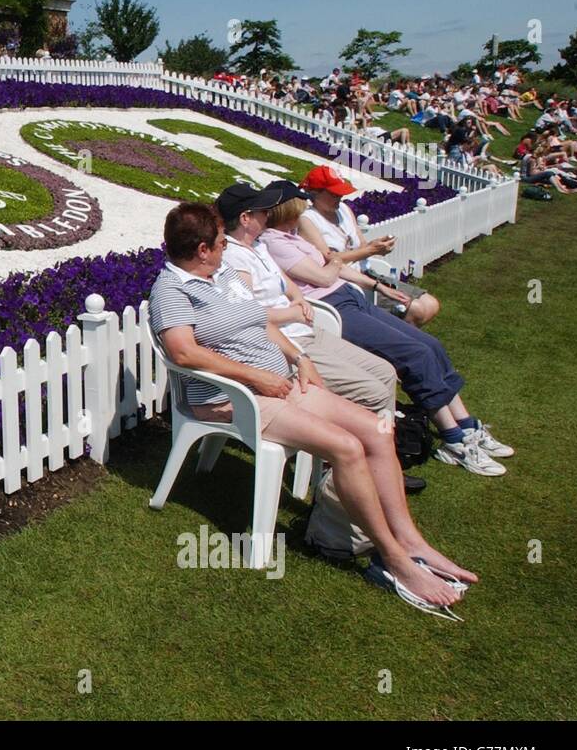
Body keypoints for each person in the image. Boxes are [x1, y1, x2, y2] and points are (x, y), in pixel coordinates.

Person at [150, 203, 474, 610]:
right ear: (201, 249)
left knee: (376, 428)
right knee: (347, 447)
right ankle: (392, 557)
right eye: (218, 244)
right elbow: (183, 353)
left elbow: (261, 322)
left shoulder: (220, 274)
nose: (223, 248)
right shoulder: (172, 290)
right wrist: (255, 377)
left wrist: (300, 359)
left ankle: (411, 541)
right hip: (235, 401)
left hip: (278, 385)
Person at [260, 193, 513, 477]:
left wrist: (378, 287)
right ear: (288, 210)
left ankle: (466, 423)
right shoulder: (274, 241)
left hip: (349, 297)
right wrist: (335, 259)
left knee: (430, 344)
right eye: (300, 205)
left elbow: (336, 267)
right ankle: (452, 437)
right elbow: (325, 276)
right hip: (331, 308)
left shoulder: (294, 236)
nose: (305, 209)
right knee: (414, 354)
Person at [297, 166, 440, 327]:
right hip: (347, 283)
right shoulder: (307, 219)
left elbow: (361, 244)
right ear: (315, 193)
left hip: (367, 273)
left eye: (340, 192)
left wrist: (377, 246)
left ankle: (400, 339)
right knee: (417, 310)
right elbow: (329, 259)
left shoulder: (343, 209)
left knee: (431, 304)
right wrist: (370, 250)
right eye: (333, 193)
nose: (339, 196)